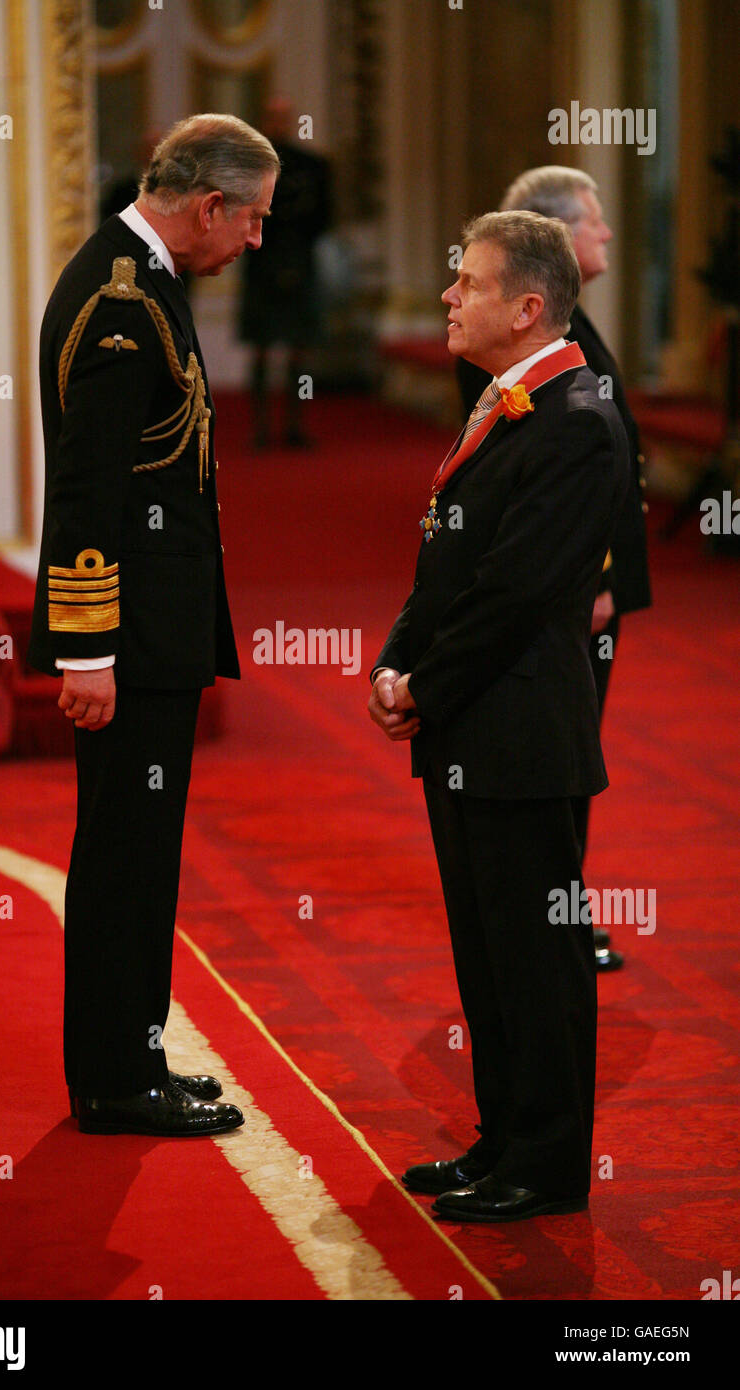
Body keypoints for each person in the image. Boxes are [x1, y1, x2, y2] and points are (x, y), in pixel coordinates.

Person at [369, 211, 630, 1222]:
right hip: (471, 725)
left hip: (519, 732)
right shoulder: (510, 398)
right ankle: (502, 1137)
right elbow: (452, 559)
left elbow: (515, 593)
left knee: (534, 954)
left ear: (526, 308)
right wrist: (398, 659)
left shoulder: (574, 418)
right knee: (485, 949)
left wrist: (423, 687)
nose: (447, 297)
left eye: (466, 283)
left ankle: (549, 1163)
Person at [28, 114, 279, 1137]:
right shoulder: (122, 302)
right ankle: (113, 1081)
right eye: (252, 219)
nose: (254, 241)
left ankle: (132, 1056)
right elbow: (88, 493)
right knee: (126, 856)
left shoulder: (139, 278)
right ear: (209, 205)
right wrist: (86, 648)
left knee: (142, 851)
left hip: (150, 632)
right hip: (126, 641)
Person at [457, 168, 652, 971]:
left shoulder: (575, 333)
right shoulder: (514, 348)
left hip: (589, 580)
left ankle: (564, 909)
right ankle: (559, 917)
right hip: (580, 585)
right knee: (561, 762)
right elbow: (550, 477)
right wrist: (599, 579)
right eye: (597, 224)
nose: (606, 236)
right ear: (564, 236)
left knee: (572, 755)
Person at [237, 95, 332, 448]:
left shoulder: (313, 166)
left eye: (282, 117)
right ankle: (260, 428)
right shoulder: (247, 169)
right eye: (271, 117)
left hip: (300, 263)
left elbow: (324, 218)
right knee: (260, 350)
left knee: (300, 351)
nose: (277, 124)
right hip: (261, 265)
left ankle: (295, 426)